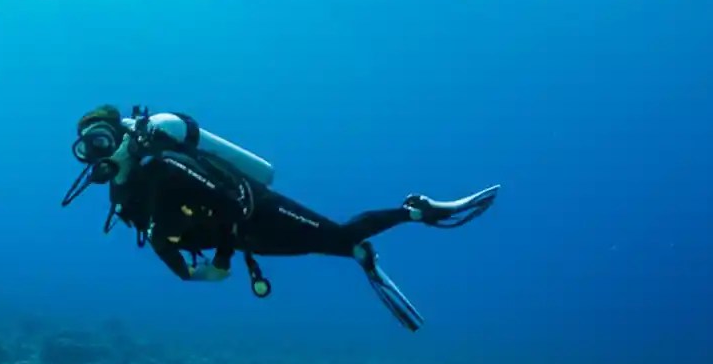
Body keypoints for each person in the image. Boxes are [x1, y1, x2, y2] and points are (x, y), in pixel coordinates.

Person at [61, 105, 499, 331]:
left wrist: (221, 263)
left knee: (337, 236)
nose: (96, 154)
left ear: (120, 136)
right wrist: (189, 275)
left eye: (101, 141)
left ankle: (417, 210)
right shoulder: (124, 194)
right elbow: (157, 238)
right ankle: (359, 253)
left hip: (257, 209)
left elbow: (229, 206)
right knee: (331, 244)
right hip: (248, 240)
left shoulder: (164, 166)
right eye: (87, 149)